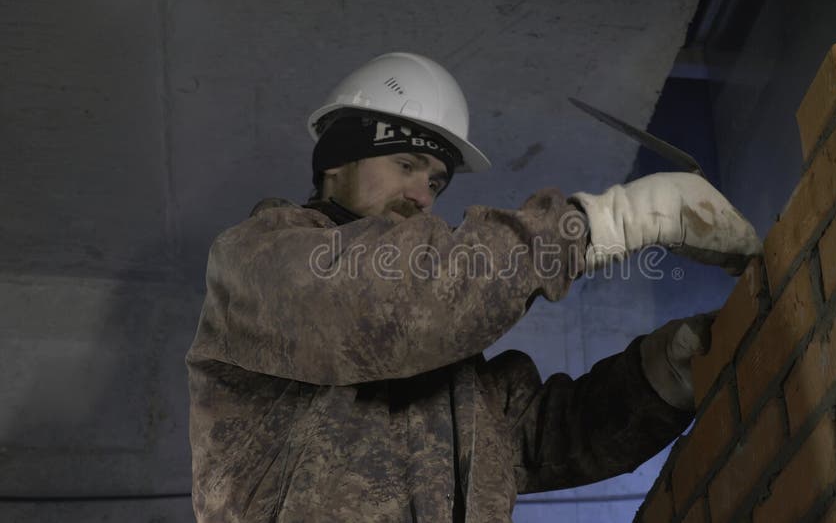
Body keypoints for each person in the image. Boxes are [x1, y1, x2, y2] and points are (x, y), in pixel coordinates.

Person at [186, 52, 761, 522]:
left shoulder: (451, 377)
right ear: (337, 163)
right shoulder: (260, 259)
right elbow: (400, 300)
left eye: (435, 179)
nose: (422, 193)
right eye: (407, 163)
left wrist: (660, 377)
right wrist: (608, 221)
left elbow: (542, 441)